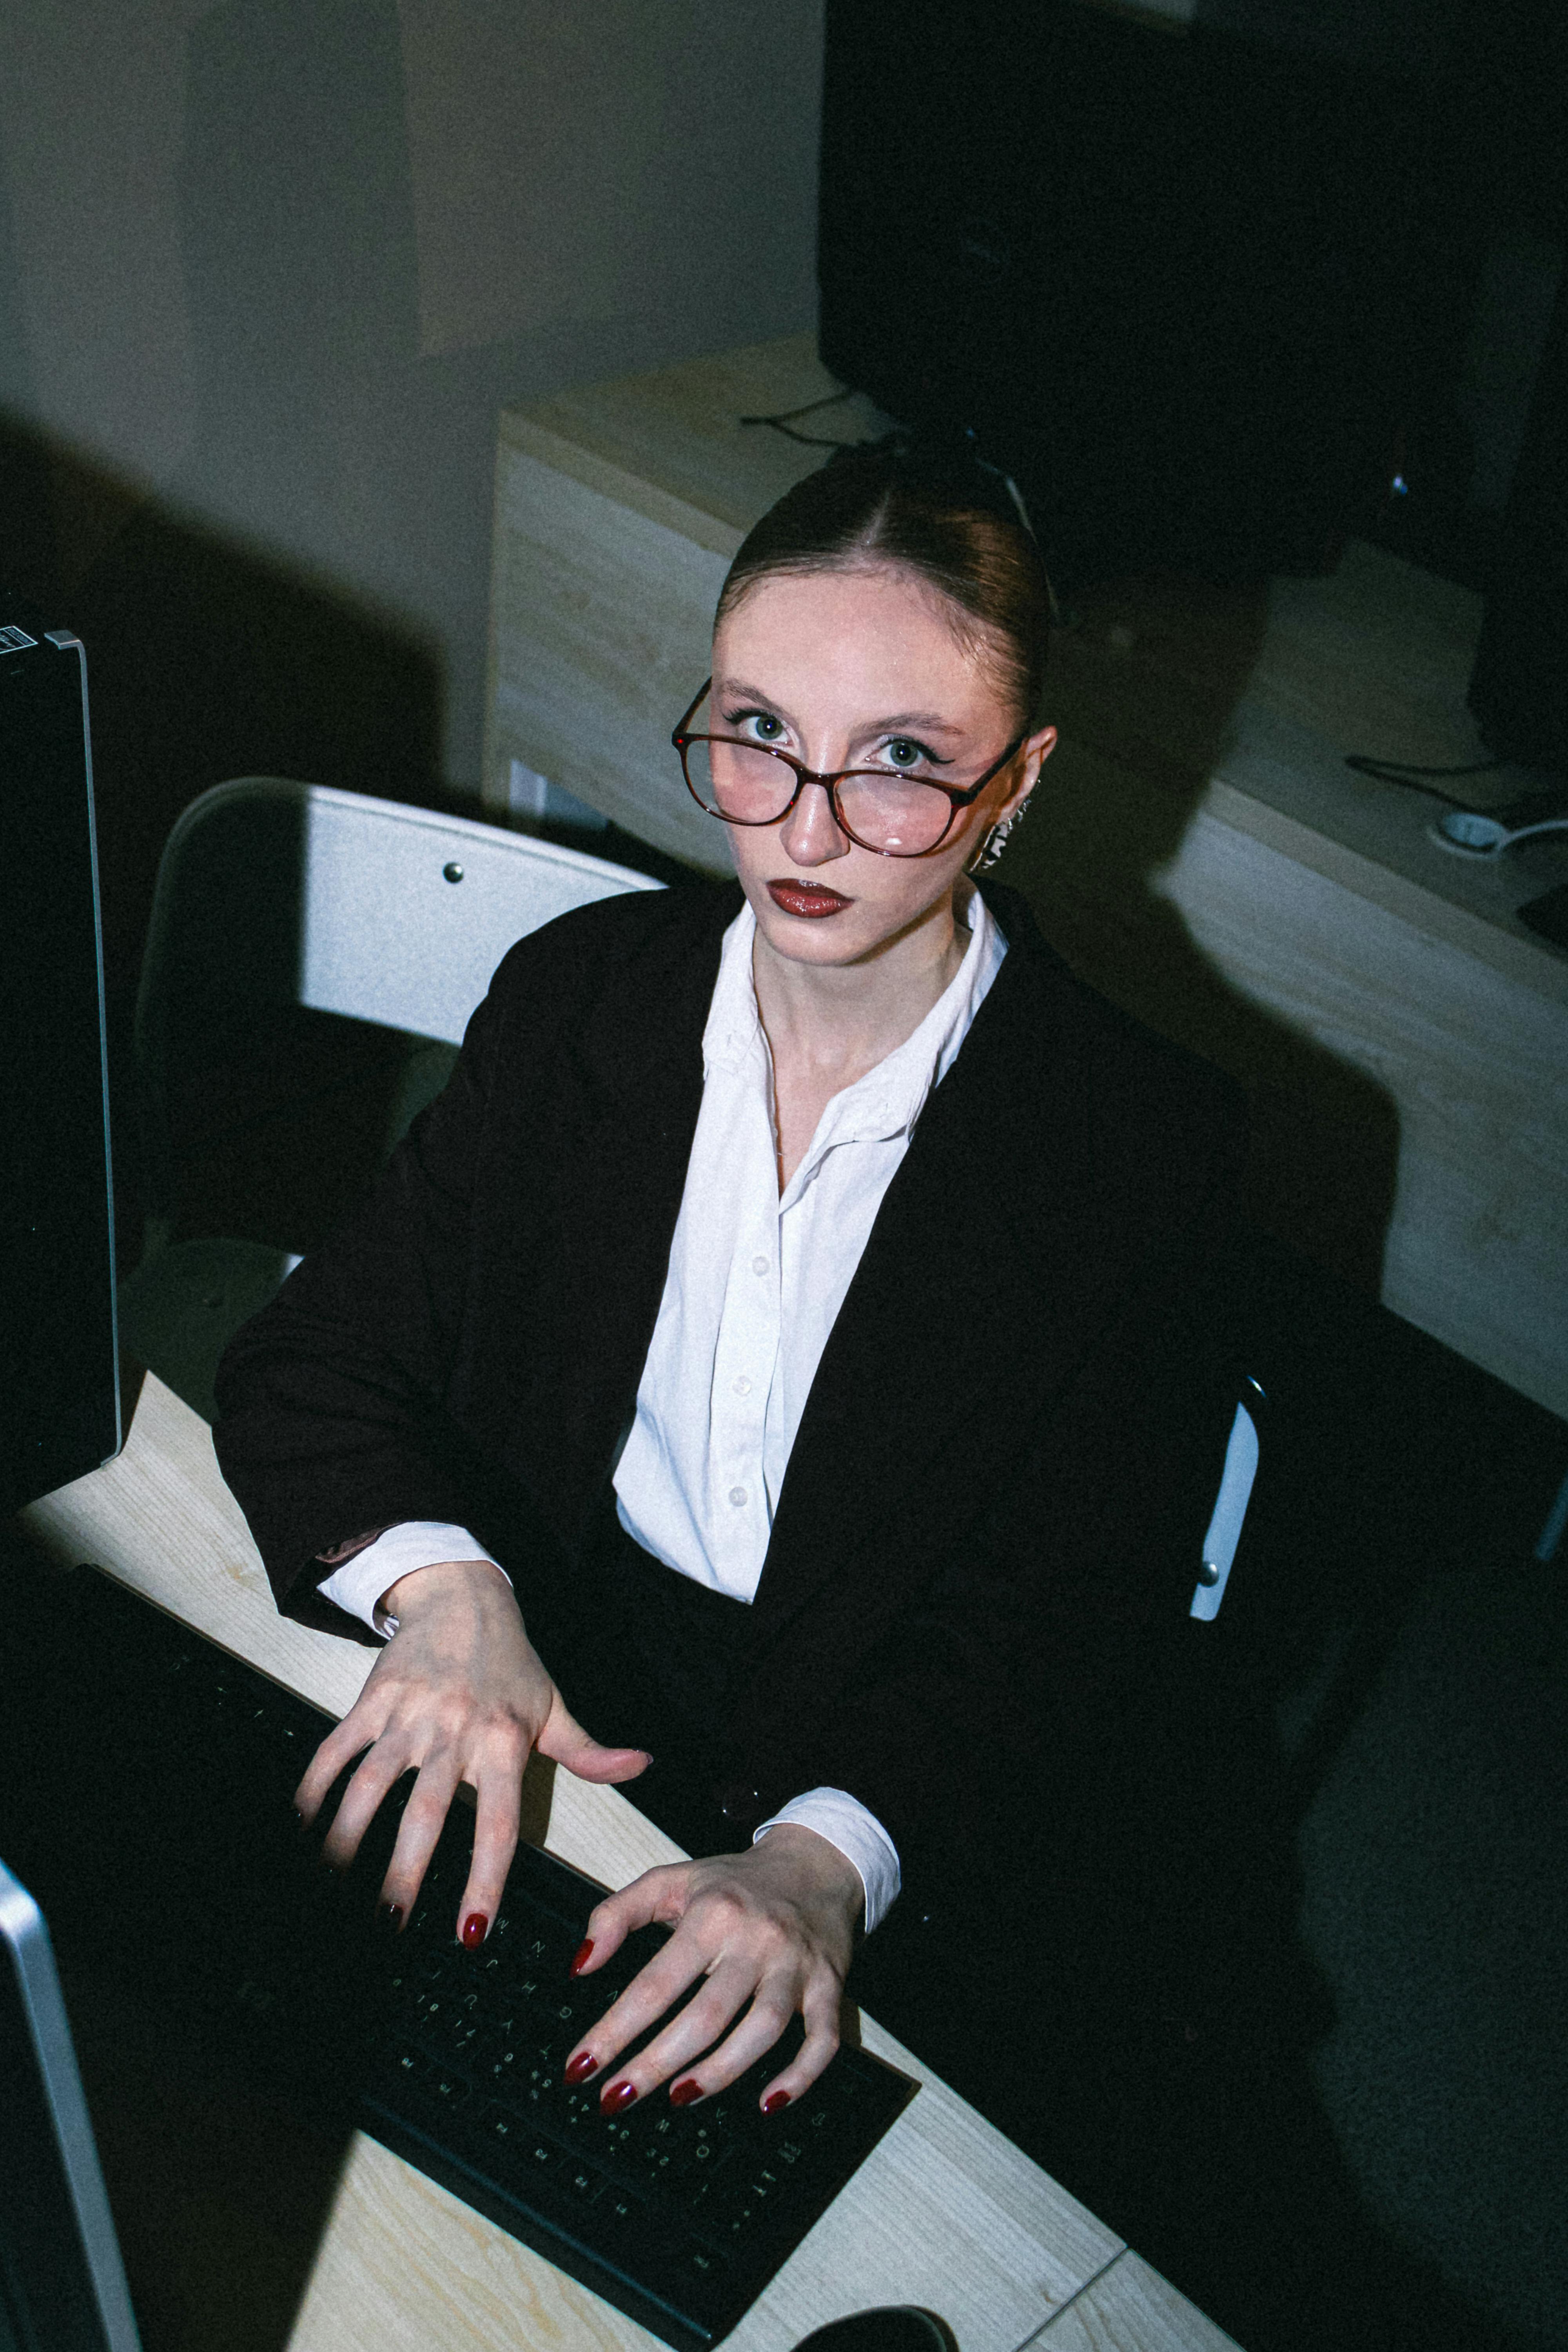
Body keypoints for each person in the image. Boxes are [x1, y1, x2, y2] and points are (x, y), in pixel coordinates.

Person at [213, 443, 1243, 2136]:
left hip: (904, 1768)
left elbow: (1066, 1631)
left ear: (1023, 779)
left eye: (902, 760)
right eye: (758, 731)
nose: (802, 826)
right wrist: (449, 1594)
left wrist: (826, 1863)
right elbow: (317, 1354)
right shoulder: (579, 1004)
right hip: (559, 1665)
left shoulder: (1137, 1146)